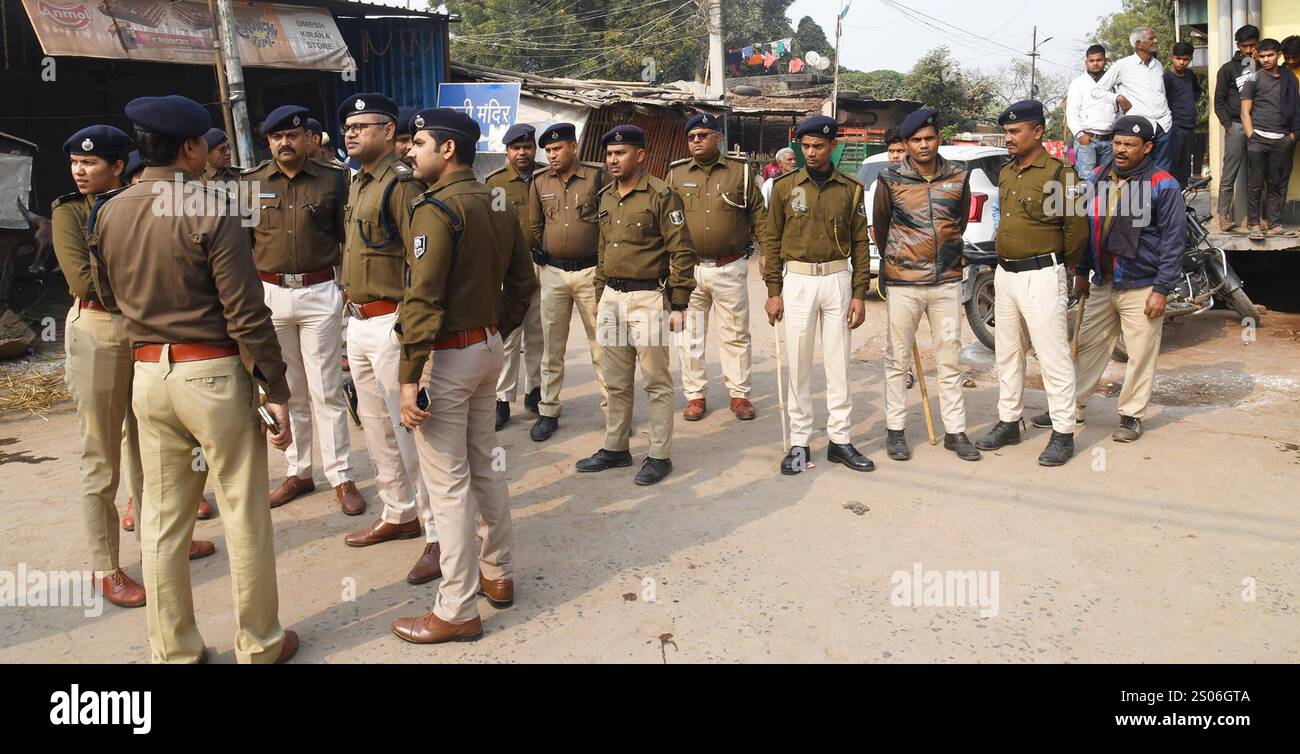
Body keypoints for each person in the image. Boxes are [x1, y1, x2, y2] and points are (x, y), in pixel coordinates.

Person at [95, 95, 296, 663]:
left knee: (160, 522)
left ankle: (175, 652)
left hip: (148, 375)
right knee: (244, 511)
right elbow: (246, 312)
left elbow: (108, 295)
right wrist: (275, 388)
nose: (212, 152)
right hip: (211, 373)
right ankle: (259, 644)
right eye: (206, 143)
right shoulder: (211, 207)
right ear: (188, 148)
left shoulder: (110, 210)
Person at [53, 125, 217, 610]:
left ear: (119, 167)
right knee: (101, 457)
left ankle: (163, 543)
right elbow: (84, 277)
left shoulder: (137, 203)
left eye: (92, 164)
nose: (80, 171)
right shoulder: (69, 212)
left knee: (152, 447)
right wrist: (152, 293)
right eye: (76, 164)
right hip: (100, 331)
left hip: (144, 332)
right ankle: (107, 568)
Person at [390, 107, 536, 645]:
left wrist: (410, 377)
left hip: (447, 359)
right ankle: (498, 574)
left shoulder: (436, 209)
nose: (411, 150)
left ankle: (455, 607)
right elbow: (524, 281)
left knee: (447, 484)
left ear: (447, 150)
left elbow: (423, 298)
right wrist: (494, 330)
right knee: (485, 465)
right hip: (484, 349)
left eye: (420, 142)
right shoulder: (497, 201)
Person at [335, 93, 439, 584]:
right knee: (374, 426)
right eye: (347, 126)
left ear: (386, 130)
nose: (351, 132)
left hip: (392, 321)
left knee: (412, 432)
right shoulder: (357, 183)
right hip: (358, 321)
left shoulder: (399, 184)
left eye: (362, 125)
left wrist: (411, 328)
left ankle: (439, 534)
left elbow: (420, 261)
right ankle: (399, 511)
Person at [1031, 115, 1185, 443]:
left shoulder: (1164, 184)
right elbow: (1089, 228)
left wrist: (1162, 289)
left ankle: (1131, 415)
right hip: (1102, 280)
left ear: (1147, 148)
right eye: (1117, 143)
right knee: (1087, 346)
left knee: (1141, 352)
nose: (1121, 149)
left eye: (1129, 145)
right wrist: (1082, 272)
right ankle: (1070, 407)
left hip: (1142, 285)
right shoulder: (1100, 176)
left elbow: (1174, 240)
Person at [242, 105, 364, 515]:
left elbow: (350, 236)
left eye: (292, 135)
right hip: (270, 295)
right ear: (268, 141)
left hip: (319, 291)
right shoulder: (252, 183)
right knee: (284, 387)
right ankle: (298, 470)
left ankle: (341, 475)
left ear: (307, 138)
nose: (285, 142)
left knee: (326, 387)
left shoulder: (334, 180)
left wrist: (344, 285)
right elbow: (241, 247)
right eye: (277, 137)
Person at [575, 125, 695, 486]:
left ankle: (659, 454)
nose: (612, 160)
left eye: (620, 153)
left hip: (647, 298)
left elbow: (681, 252)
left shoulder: (661, 195)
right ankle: (616, 447)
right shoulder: (607, 196)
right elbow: (602, 249)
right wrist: (599, 296)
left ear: (639, 155)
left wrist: (678, 303)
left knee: (656, 380)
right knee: (615, 380)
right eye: (609, 154)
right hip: (611, 297)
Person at [975, 100, 1088, 467]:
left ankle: (1063, 431)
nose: (1008, 138)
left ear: (1037, 132)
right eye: (1005, 132)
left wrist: (1062, 266)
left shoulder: (1060, 175)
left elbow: (1076, 229)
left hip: (1042, 274)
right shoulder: (1006, 173)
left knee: (1052, 355)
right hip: (1005, 275)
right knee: (1008, 354)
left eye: (1014, 132)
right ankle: (1009, 421)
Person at [763, 115, 874, 476]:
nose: (810, 152)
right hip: (797, 281)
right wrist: (773, 291)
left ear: (833, 147)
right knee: (798, 363)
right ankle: (799, 443)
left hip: (837, 279)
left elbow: (860, 242)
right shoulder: (783, 186)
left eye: (818, 146)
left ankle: (840, 440)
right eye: (805, 146)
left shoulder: (851, 188)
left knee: (839, 363)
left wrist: (859, 293)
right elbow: (771, 240)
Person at [871, 108, 981, 463]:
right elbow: (882, 227)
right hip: (904, 282)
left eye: (929, 138)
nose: (923, 145)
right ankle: (896, 431)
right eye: (916, 140)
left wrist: (942, 255)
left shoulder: (959, 176)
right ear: (905, 144)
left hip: (947, 282)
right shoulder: (890, 179)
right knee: (896, 360)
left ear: (939, 139)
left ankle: (955, 432)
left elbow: (958, 223)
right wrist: (899, 263)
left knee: (950, 358)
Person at [667, 112, 764, 423]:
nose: (697, 141)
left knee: (735, 333)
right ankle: (695, 396)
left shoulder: (741, 173)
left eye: (703, 135)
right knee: (690, 336)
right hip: (689, 268)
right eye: (692, 137)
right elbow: (665, 221)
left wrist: (769, 255)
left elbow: (759, 216)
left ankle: (739, 394)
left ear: (716, 138)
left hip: (730, 266)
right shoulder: (676, 175)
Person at [526, 122, 610, 442]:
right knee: (552, 346)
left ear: (574, 147)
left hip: (590, 272)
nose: (552, 155)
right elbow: (535, 225)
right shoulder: (539, 182)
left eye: (557, 148)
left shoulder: (597, 177)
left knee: (602, 344)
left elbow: (608, 221)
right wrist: (550, 251)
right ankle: (548, 410)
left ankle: (612, 409)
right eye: (547, 150)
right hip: (554, 274)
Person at [485, 124, 545, 430]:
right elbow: (492, 228)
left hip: (542, 265)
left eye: (527, 147)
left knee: (538, 333)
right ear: (507, 150)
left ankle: (534, 390)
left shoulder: (547, 176)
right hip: (509, 271)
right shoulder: (496, 184)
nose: (522, 153)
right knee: (509, 336)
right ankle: (502, 398)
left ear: (535, 149)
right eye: (515, 148)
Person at [1090, 26, 1173, 171]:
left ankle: (1160, 194)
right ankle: (1140, 194)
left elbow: (1162, 94)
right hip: (1138, 127)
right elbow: (1096, 91)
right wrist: (1119, 98)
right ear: (1138, 44)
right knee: (1137, 168)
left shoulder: (1157, 65)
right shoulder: (1123, 65)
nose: (1156, 40)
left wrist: (1168, 118)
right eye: (1151, 38)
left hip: (1163, 125)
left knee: (1162, 171)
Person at [1241, 38, 1300, 240]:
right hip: (1259, 139)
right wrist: (1251, 136)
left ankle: (1274, 224)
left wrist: (1291, 136)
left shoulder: (1290, 78)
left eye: (1270, 55)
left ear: (1278, 55)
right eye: (1262, 56)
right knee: (1255, 184)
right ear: (1257, 56)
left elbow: (1296, 108)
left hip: (1282, 139)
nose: (1266, 60)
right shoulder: (1252, 79)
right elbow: (1245, 112)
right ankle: (1254, 224)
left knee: (1276, 183)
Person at [1213, 25, 1260, 232]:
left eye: (1252, 45)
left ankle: (1257, 219)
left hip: (1260, 126)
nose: (1249, 49)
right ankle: (1223, 216)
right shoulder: (1228, 69)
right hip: (1236, 126)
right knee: (1229, 174)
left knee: (1259, 173)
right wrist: (1228, 125)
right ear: (1238, 46)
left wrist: (1258, 63)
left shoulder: (1264, 65)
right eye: (1245, 46)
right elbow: (1218, 101)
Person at [1066, 44, 1116, 180]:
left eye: (1099, 60)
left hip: (1109, 139)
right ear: (1086, 62)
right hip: (1087, 139)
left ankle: (1103, 202)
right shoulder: (1079, 83)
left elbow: (1119, 111)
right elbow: (1071, 112)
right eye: (1092, 61)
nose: (1095, 63)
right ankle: (1085, 202)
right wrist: (1079, 134)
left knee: (1107, 179)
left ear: (1105, 61)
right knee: (1086, 180)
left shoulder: (1113, 83)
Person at [1164, 41, 1202, 187]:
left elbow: (1197, 91)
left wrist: (1190, 103)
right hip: (1174, 126)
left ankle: (1182, 201)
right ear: (1171, 58)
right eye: (1178, 58)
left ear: (1190, 59)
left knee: (1185, 167)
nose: (1181, 62)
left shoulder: (1190, 75)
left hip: (1189, 126)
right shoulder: (1167, 78)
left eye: (1185, 59)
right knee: (1173, 165)